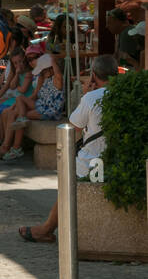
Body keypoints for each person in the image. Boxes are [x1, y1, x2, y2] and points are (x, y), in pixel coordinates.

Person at [19, 55, 117, 243]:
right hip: (115, 160)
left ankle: (47, 229)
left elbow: (73, 126)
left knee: (66, 185)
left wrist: (85, 94)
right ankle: (47, 228)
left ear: (94, 76)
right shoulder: (125, 94)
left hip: (90, 162)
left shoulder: (91, 98)